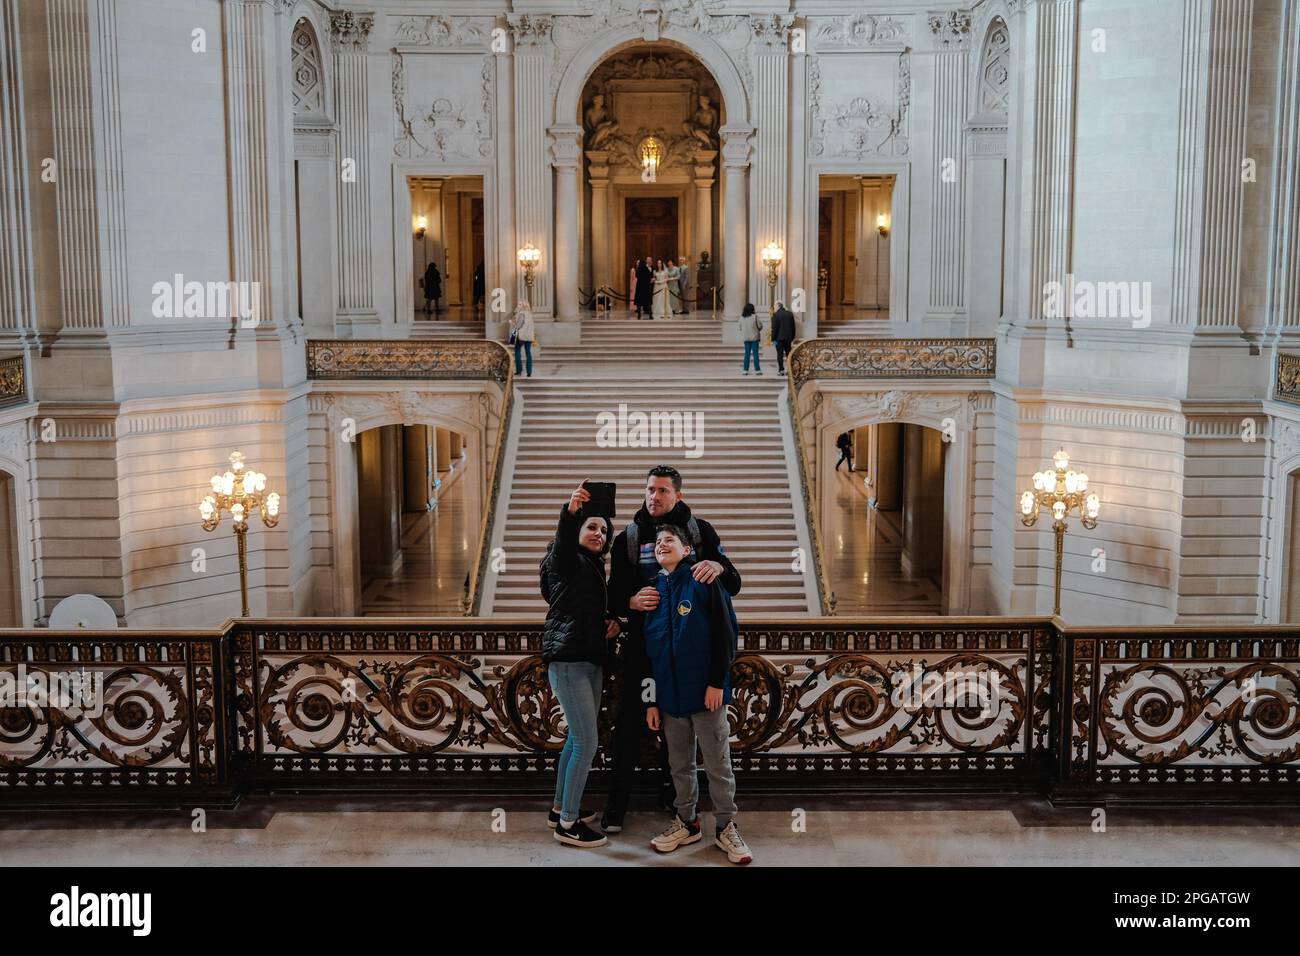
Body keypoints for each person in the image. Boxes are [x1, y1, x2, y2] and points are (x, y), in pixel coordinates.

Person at [603, 465, 741, 834]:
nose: (654, 496)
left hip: (691, 647)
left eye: (663, 490)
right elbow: (612, 593)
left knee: (690, 740)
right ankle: (618, 804)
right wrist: (630, 602)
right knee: (635, 721)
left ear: (678, 495)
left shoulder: (699, 531)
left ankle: (685, 807)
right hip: (646, 644)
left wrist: (716, 564)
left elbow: (732, 583)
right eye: (650, 489)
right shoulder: (628, 538)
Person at [643, 524, 752, 864]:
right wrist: (651, 699)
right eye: (658, 542)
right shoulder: (653, 590)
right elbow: (649, 652)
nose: (662, 545)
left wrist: (717, 682)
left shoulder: (703, 580)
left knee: (718, 764)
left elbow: (725, 632)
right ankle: (687, 822)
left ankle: (725, 826)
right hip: (670, 698)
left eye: (670, 540)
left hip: (707, 694)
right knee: (680, 765)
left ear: (687, 549)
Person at [540, 481, 621, 848]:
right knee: (587, 743)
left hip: (588, 658)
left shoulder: (589, 566)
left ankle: (560, 809)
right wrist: (571, 511)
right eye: (592, 527)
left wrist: (613, 622)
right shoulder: (566, 560)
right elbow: (562, 542)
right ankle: (569, 825)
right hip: (570, 660)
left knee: (576, 739)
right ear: (577, 530)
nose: (599, 534)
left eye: (604, 530)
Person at [510, 300, 535, 377]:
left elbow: (518, 326)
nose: (518, 306)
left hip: (521, 336)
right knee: (528, 353)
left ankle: (519, 370)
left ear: (523, 306)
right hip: (529, 336)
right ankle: (529, 371)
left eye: (520, 305)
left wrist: (512, 323)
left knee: (517, 351)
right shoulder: (530, 314)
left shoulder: (521, 314)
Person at [772, 300, 796, 376]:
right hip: (788, 338)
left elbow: (774, 328)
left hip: (779, 338)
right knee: (789, 354)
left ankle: (781, 370)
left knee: (780, 354)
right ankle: (790, 370)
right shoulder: (790, 314)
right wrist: (792, 337)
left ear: (779, 306)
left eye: (775, 305)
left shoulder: (776, 315)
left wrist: (773, 338)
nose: (774, 307)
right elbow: (793, 327)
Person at [740, 302, 763, 376]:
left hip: (746, 338)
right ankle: (757, 370)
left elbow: (740, 327)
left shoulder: (742, 317)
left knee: (747, 354)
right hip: (754, 338)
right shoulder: (755, 317)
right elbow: (760, 326)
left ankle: (745, 370)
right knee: (755, 354)